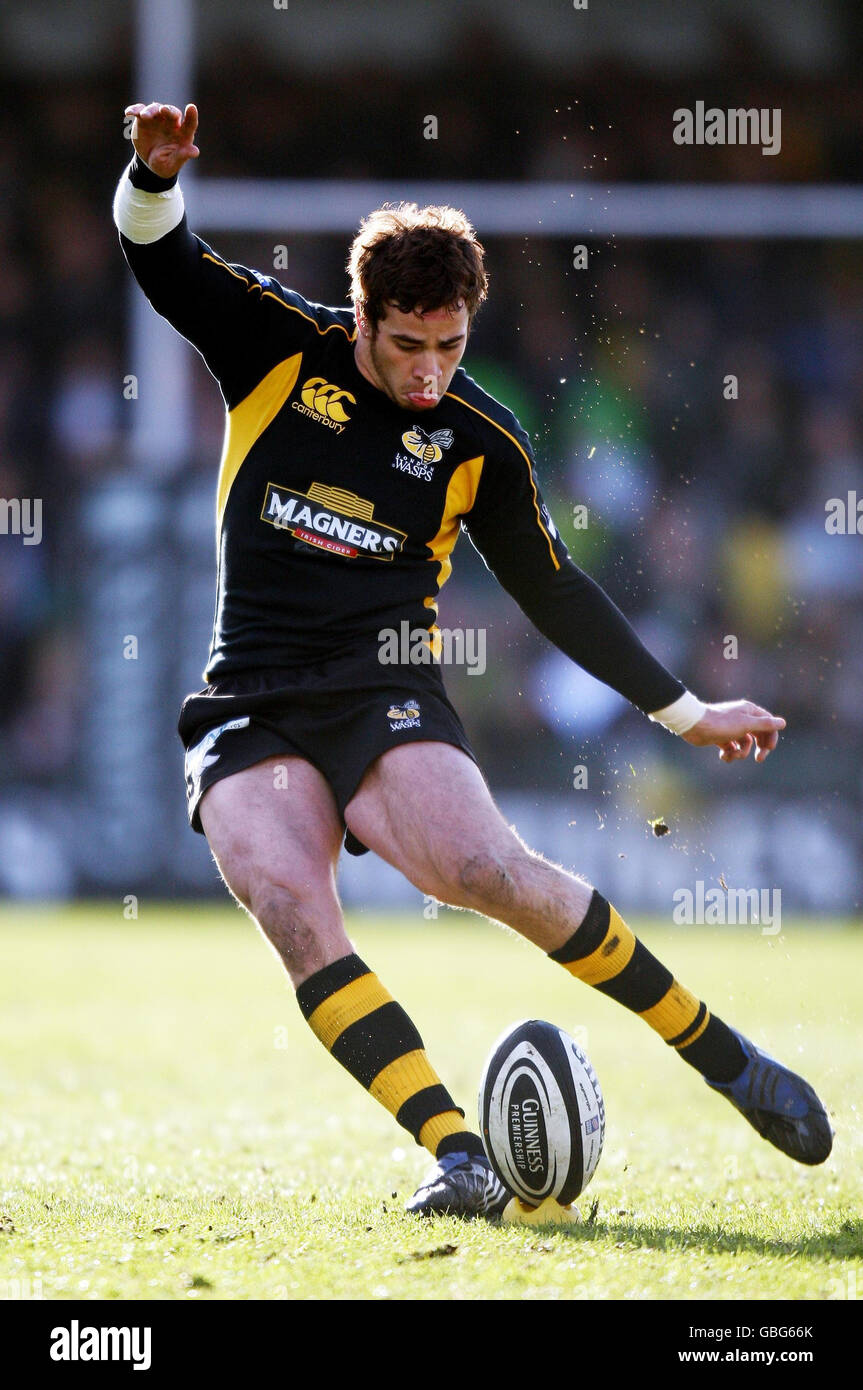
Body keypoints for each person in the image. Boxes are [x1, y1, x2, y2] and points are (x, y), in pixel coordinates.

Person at [113, 102, 831, 1220]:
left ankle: (720, 1054)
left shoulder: (478, 439)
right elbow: (161, 259)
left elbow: (549, 585)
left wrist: (682, 712)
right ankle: (458, 1155)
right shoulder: (276, 346)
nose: (430, 371)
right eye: (408, 345)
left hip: (382, 689)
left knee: (488, 874)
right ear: (363, 318)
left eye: (450, 346)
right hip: (247, 693)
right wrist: (150, 175)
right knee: (291, 906)